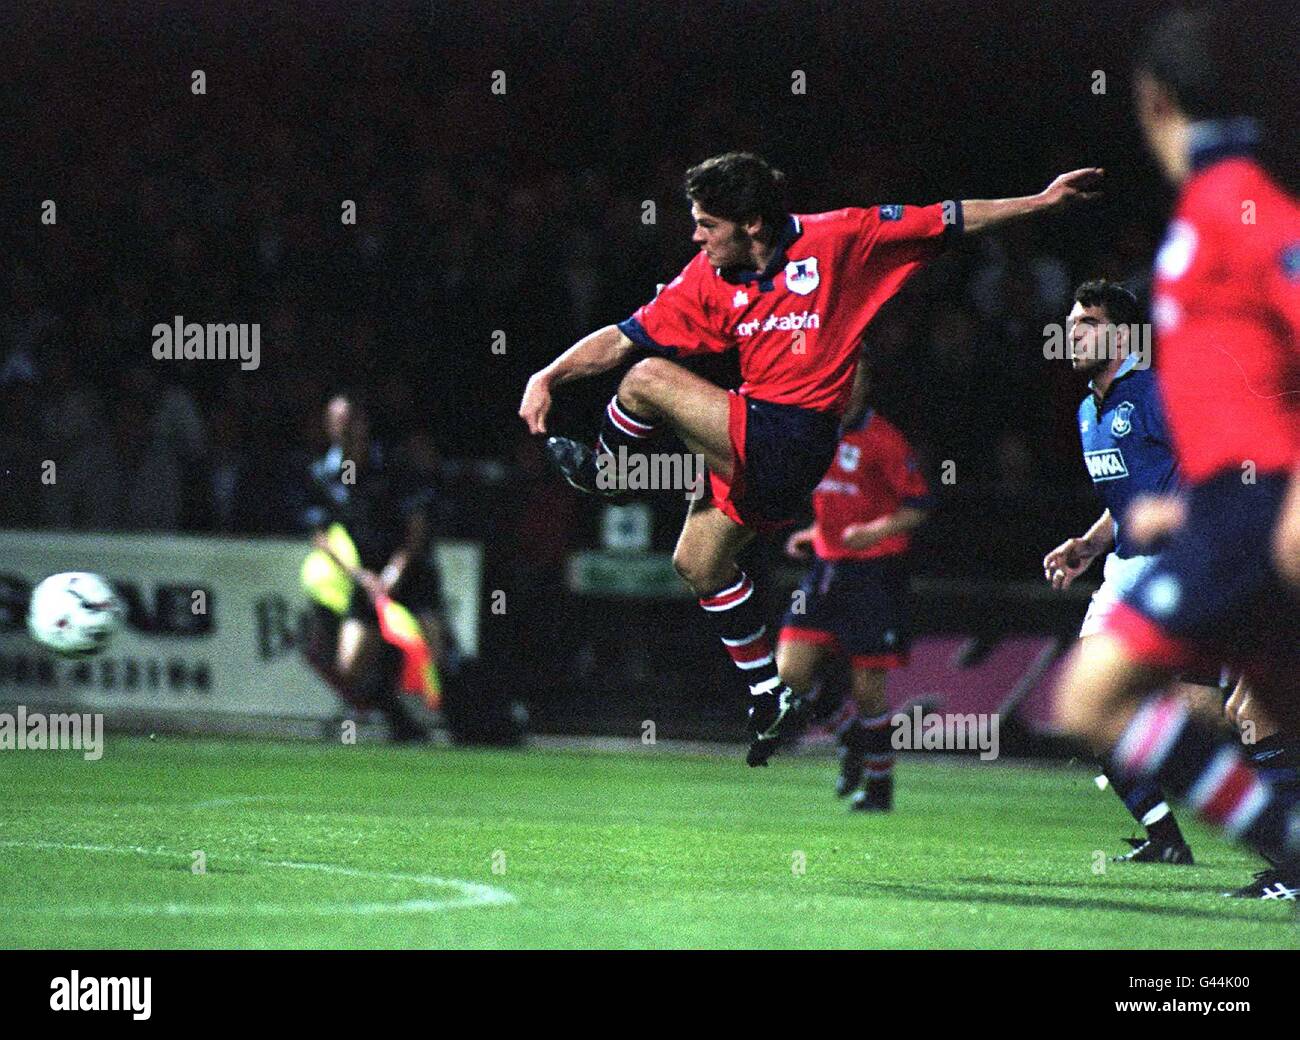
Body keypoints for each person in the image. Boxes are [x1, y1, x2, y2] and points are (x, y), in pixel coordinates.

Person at [519, 150, 1103, 765]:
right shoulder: (708, 278)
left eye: (706, 224)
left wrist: (1039, 201)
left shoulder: (840, 237)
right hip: (769, 456)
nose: (695, 235)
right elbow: (622, 332)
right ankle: (768, 693)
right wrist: (549, 375)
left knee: (645, 381)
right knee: (696, 562)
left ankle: (609, 475)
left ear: (751, 224)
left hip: (792, 435)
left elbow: (946, 218)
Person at [1051, 6, 1300, 899]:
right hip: (1229, 511)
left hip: (1257, 515)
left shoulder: (1234, 202)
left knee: (1092, 697)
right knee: (1255, 706)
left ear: (1154, 100)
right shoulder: (1218, 202)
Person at [1043, 279, 1218, 865]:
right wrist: (1089, 544)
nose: (1073, 334)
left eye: (1087, 324)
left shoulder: (1152, 394)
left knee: (1213, 711)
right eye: (1071, 323)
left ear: (1123, 334)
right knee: (1084, 705)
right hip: (1123, 569)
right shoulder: (1087, 411)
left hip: (1174, 564)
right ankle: (1165, 838)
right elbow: (1129, 493)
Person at [778, 358, 931, 810]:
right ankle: (848, 738)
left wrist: (875, 532)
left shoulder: (883, 438)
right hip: (826, 569)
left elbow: (919, 505)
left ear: (865, 384)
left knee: (868, 690)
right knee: (790, 672)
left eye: (853, 377)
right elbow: (837, 497)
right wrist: (814, 533)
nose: (843, 385)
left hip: (874, 574)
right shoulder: (814, 431)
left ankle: (880, 788)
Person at [302, 394, 445, 742]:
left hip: (411, 574)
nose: (342, 428)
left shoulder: (393, 466)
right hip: (366, 578)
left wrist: (396, 571)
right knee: (349, 665)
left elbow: (416, 526)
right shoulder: (323, 474)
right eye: (335, 421)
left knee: (430, 654)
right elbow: (321, 535)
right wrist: (359, 576)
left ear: (363, 423)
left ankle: (438, 719)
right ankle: (397, 717)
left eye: (349, 420)